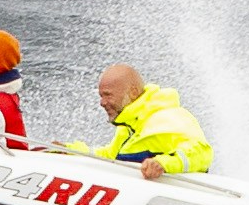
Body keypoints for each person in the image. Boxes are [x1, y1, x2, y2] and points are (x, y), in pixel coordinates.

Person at [82, 63, 211, 178]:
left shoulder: (168, 117)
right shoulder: (129, 126)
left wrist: (163, 164)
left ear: (132, 92)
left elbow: (202, 153)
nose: (102, 103)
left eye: (108, 95)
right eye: (101, 96)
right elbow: (110, 156)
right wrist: (69, 150)